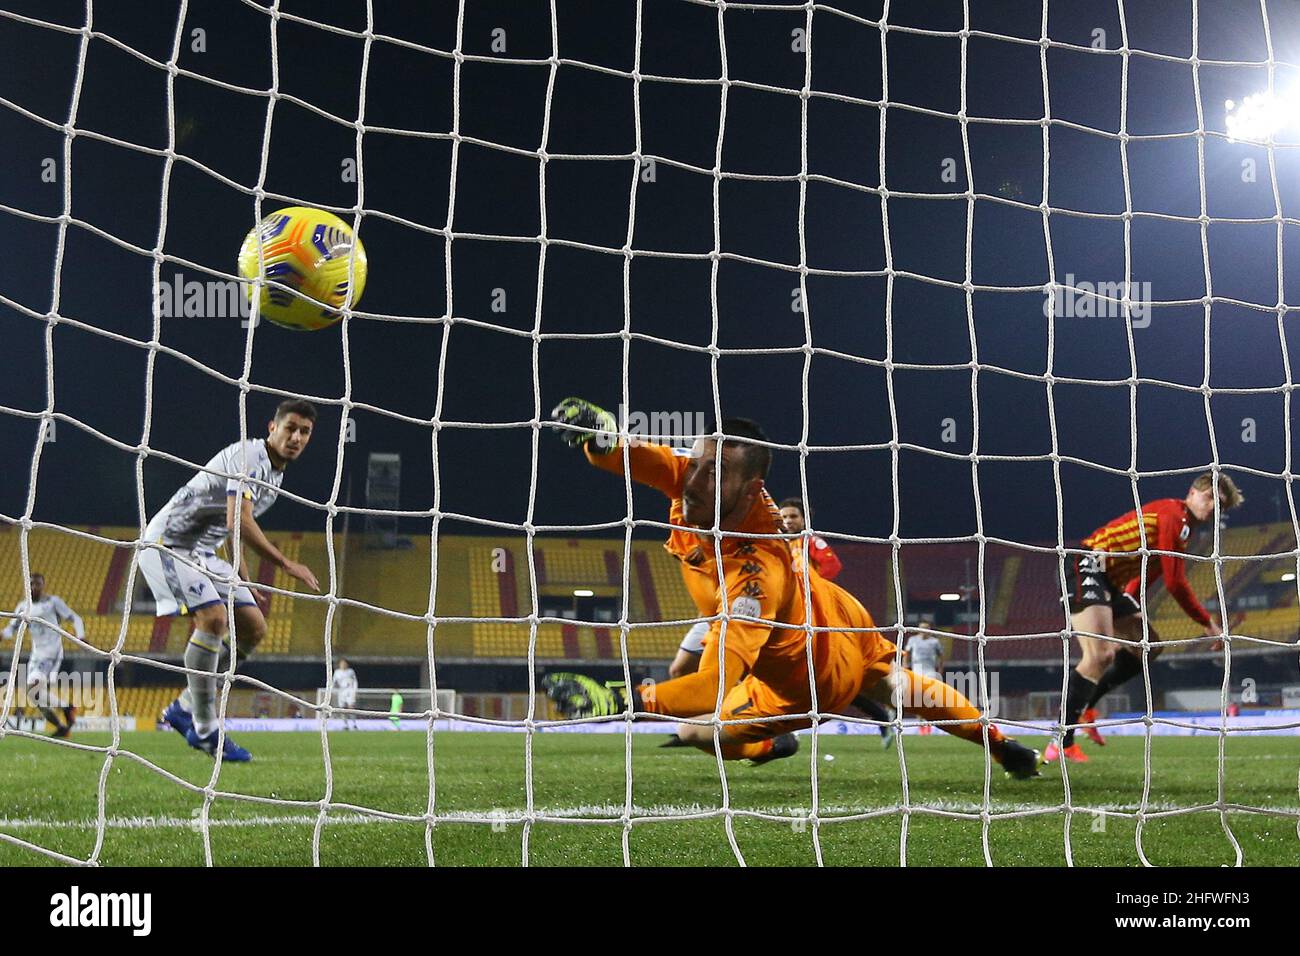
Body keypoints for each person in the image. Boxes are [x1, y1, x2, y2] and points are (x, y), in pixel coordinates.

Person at [542, 398, 1040, 777]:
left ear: (751, 486)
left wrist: (619, 699)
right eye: (695, 462)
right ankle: (1005, 747)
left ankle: (773, 740)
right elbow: (640, 459)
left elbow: (709, 686)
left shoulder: (754, 576)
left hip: (810, 679)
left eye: (713, 473)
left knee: (698, 729)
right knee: (896, 684)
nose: (692, 481)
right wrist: (601, 437)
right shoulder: (703, 480)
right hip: (838, 613)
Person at [138, 399, 321, 761]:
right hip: (169, 542)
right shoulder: (250, 456)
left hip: (205, 552)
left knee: (253, 628)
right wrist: (286, 564)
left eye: (305, 432)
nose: (296, 437)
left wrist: (244, 577)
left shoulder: (275, 474)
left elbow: (231, 527)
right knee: (214, 619)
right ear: (273, 427)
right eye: (290, 428)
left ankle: (184, 706)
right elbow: (240, 521)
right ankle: (205, 730)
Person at [1046, 471, 1244, 764]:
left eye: (1221, 505)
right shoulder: (1175, 517)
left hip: (1109, 584)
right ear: (1192, 492)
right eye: (1210, 497)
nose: (1214, 507)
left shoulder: (1181, 528)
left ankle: (1088, 708)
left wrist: (1130, 606)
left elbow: (1148, 573)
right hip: (1086, 565)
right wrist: (1208, 623)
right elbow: (1175, 583)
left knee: (1148, 644)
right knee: (1100, 656)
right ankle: (1061, 740)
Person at [1, 572, 83, 737]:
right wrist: (2, 635)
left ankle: (68, 708)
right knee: (34, 697)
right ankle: (61, 725)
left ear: (43, 586)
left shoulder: (53, 603)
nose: (34, 587)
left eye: (37, 584)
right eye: (31, 584)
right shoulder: (23, 607)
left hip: (52, 654)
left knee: (33, 688)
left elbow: (75, 618)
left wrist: (81, 636)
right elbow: (11, 628)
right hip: (36, 655)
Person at [902, 620, 945, 735]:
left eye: (926, 628)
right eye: (921, 628)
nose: (923, 631)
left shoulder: (935, 641)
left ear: (929, 630)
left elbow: (941, 656)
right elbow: (906, 654)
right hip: (917, 670)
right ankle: (920, 723)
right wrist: (905, 666)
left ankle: (928, 722)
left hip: (930, 671)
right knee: (918, 699)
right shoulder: (913, 640)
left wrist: (940, 669)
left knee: (930, 698)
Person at [331, 657, 358, 730]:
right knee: (342, 709)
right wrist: (332, 690)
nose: (343, 665)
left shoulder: (350, 671)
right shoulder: (337, 672)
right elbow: (334, 682)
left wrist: (355, 691)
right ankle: (345, 724)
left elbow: (355, 681)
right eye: (341, 663)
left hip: (350, 691)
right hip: (341, 691)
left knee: (351, 708)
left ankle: (354, 724)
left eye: (344, 663)